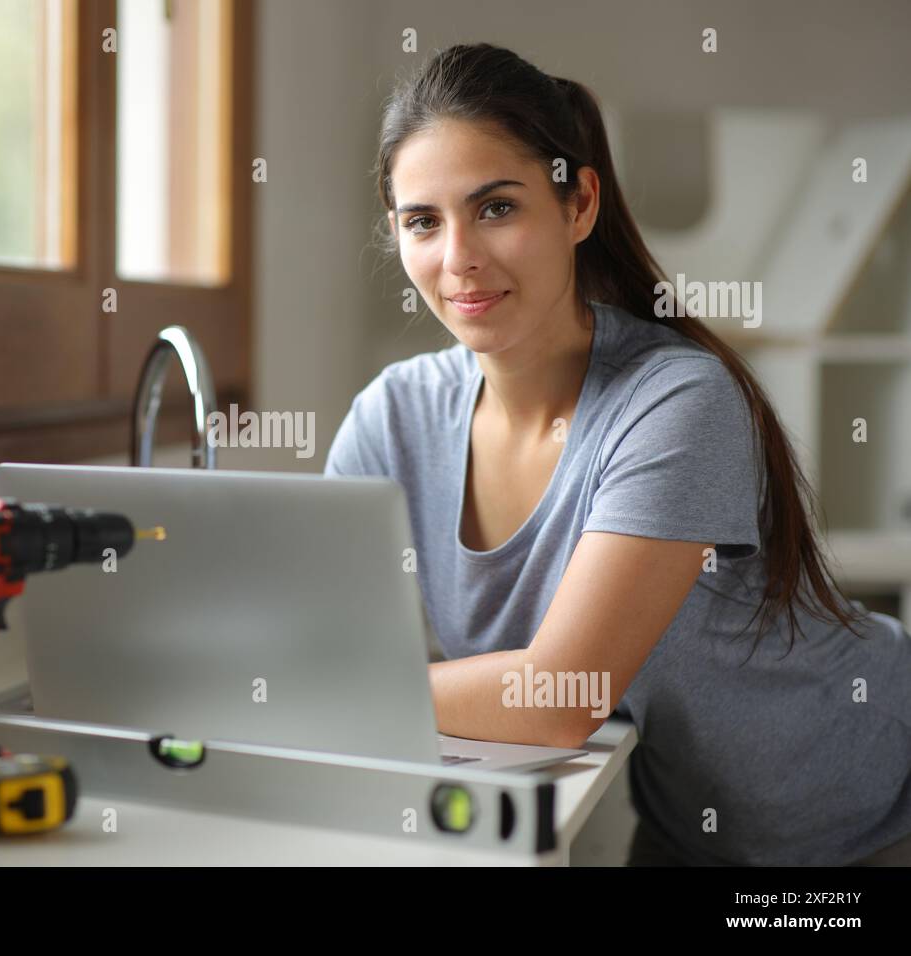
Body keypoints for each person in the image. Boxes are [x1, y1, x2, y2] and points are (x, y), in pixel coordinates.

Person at [326, 43, 911, 867]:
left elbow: (563, 697)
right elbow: (324, 645)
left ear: (579, 204)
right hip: (691, 824)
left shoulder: (675, 400)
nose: (458, 256)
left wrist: (319, 695)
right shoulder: (393, 417)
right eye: (423, 220)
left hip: (872, 806)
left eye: (496, 207)